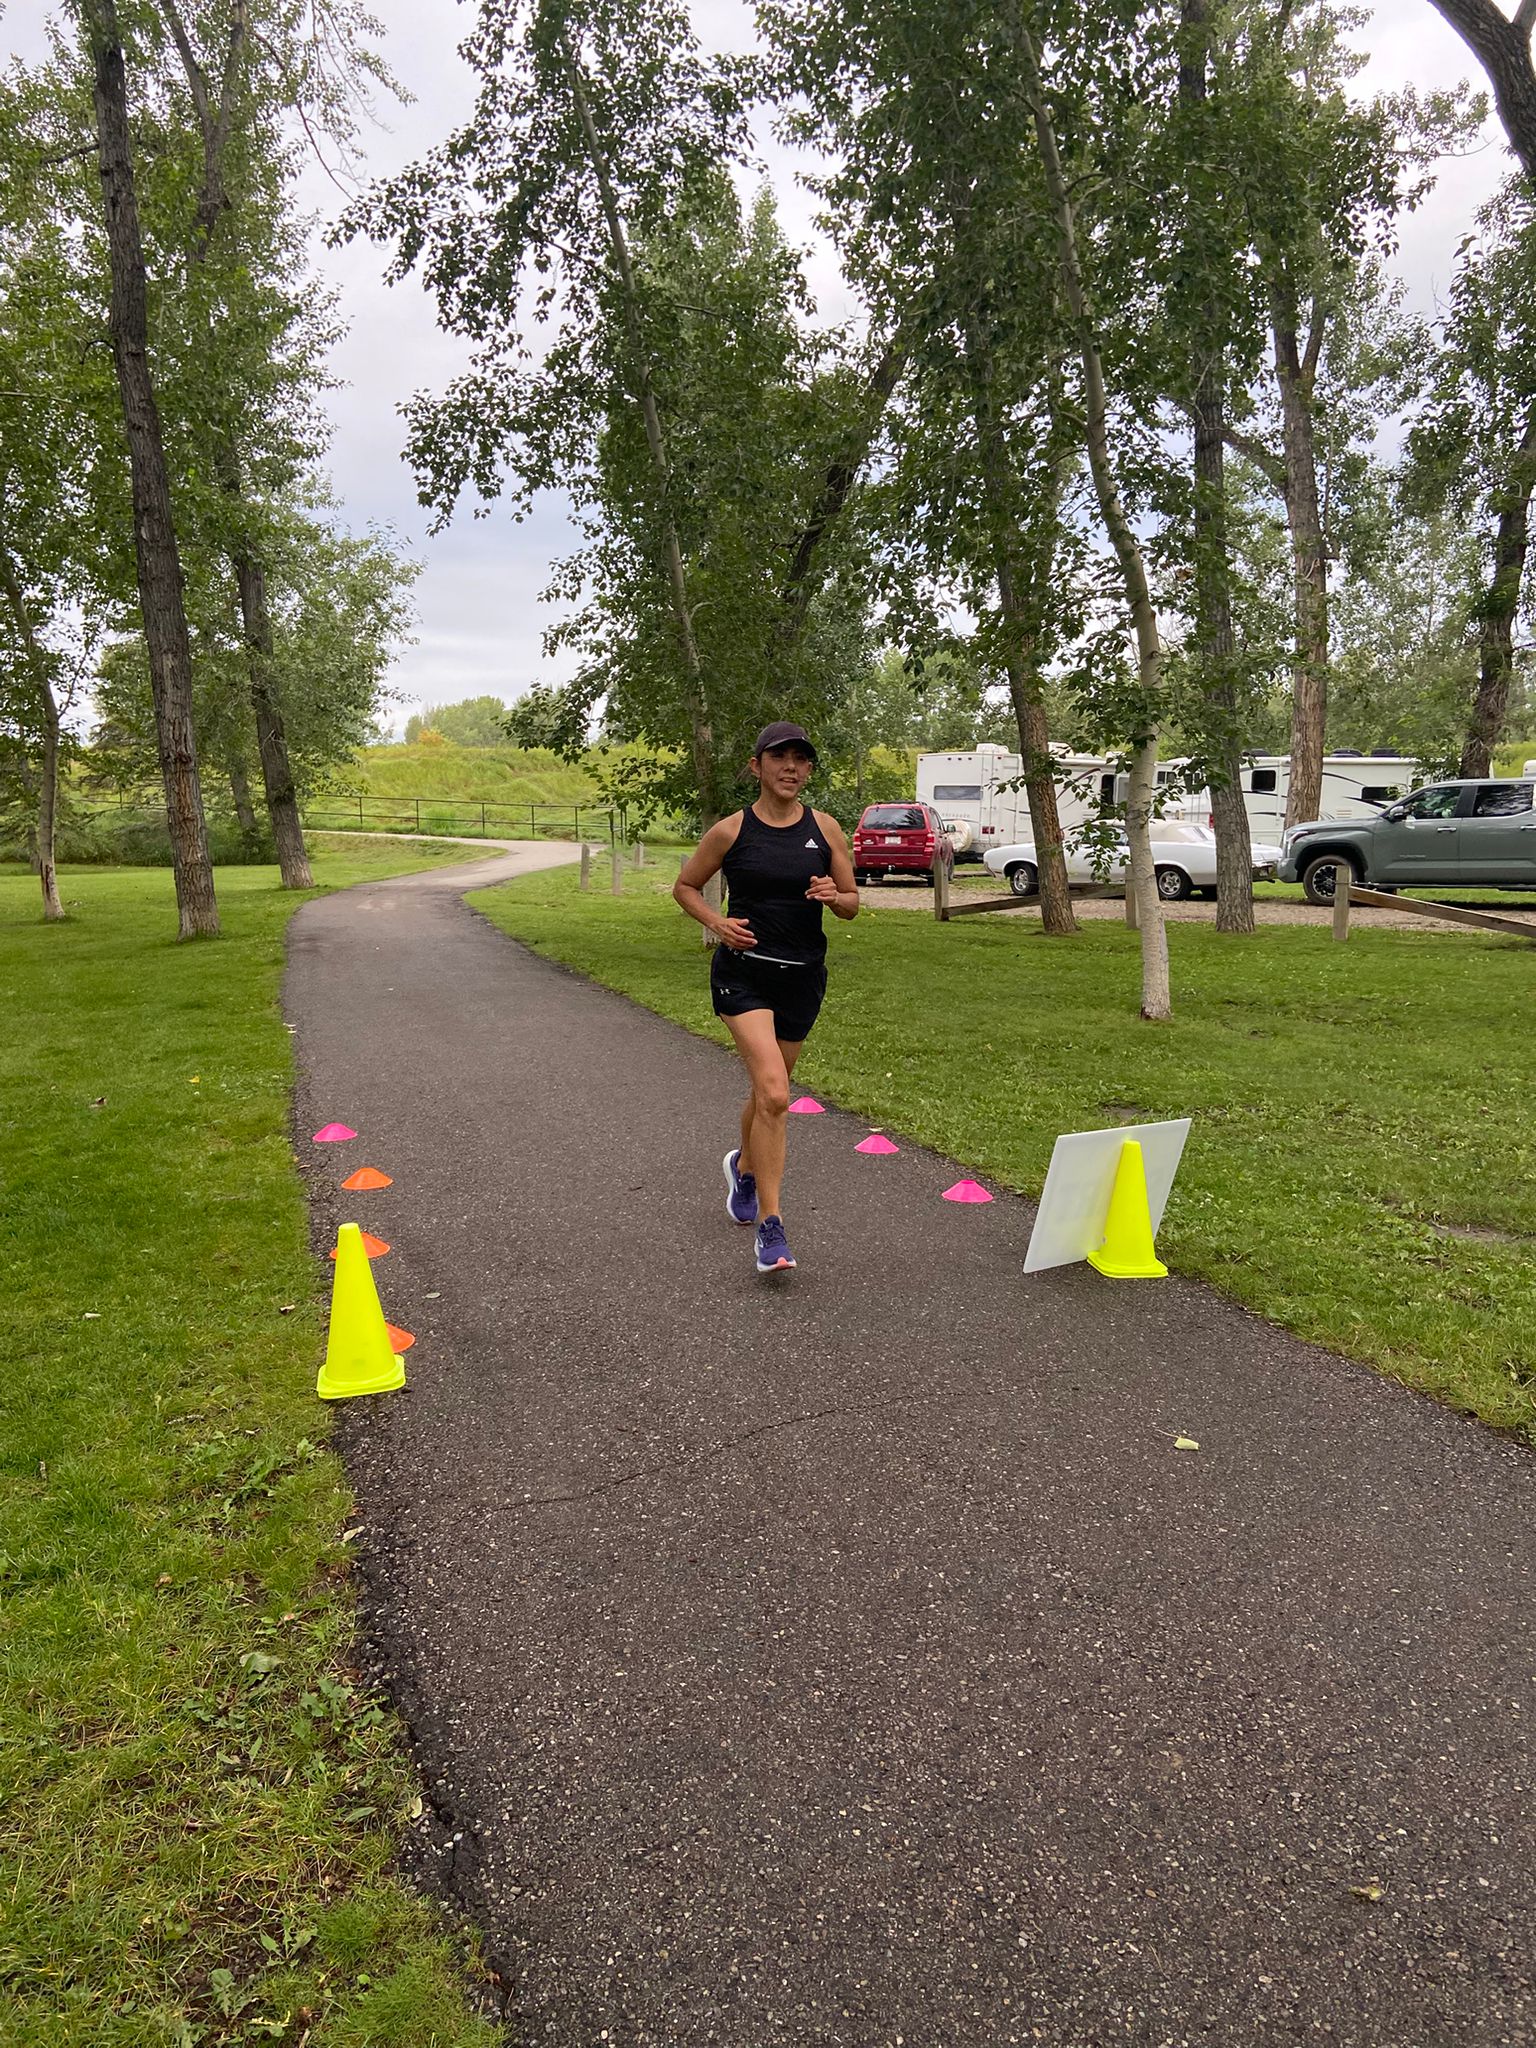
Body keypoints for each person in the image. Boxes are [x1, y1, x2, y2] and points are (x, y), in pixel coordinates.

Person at [673, 721, 859, 1273]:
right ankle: (771, 1229)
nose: (792, 768)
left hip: (803, 976)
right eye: (780, 757)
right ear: (756, 766)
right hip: (743, 975)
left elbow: (851, 902)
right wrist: (718, 923)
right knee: (777, 1093)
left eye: (802, 760)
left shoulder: (826, 829)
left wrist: (834, 895)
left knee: (766, 1092)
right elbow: (685, 886)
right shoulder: (731, 831)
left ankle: (744, 1170)